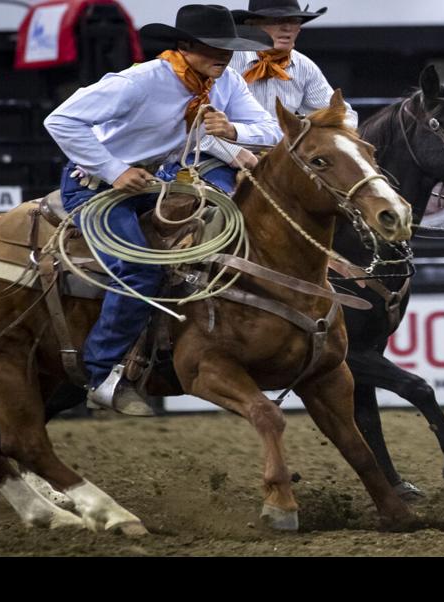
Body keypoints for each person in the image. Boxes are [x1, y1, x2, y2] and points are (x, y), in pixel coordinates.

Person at [44, 3, 282, 416]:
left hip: (157, 181)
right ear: (186, 46)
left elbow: (272, 130)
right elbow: (61, 121)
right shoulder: (141, 81)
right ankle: (100, 375)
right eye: (214, 47)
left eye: (229, 47)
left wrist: (235, 131)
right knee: (138, 267)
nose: (224, 56)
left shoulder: (224, 83)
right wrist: (115, 171)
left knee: (206, 252)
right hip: (96, 186)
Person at [226, 2, 358, 137]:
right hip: (230, 150)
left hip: (283, 153)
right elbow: (206, 123)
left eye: (294, 21)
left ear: (299, 29)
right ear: (252, 25)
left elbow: (344, 116)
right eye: (277, 20)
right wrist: (235, 153)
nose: (287, 27)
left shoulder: (304, 67)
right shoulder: (227, 61)